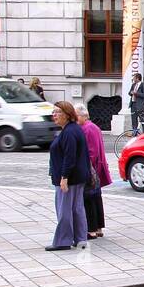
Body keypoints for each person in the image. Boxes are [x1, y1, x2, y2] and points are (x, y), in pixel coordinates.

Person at [46, 101, 90, 251]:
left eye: (57, 112)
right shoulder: (73, 129)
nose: (54, 115)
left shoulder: (69, 132)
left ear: (67, 114)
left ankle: (63, 240)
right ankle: (80, 238)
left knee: (64, 209)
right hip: (77, 177)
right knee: (77, 208)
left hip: (69, 178)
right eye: (53, 112)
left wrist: (64, 177)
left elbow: (69, 157)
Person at [78, 107, 112, 240]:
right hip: (95, 168)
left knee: (90, 199)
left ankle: (92, 228)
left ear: (83, 116)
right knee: (95, 198)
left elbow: (92, 151)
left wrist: (86, 168)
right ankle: (97, 228)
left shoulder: (88, 128)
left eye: (76, 116)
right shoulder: (92, 127)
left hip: (92, 169)